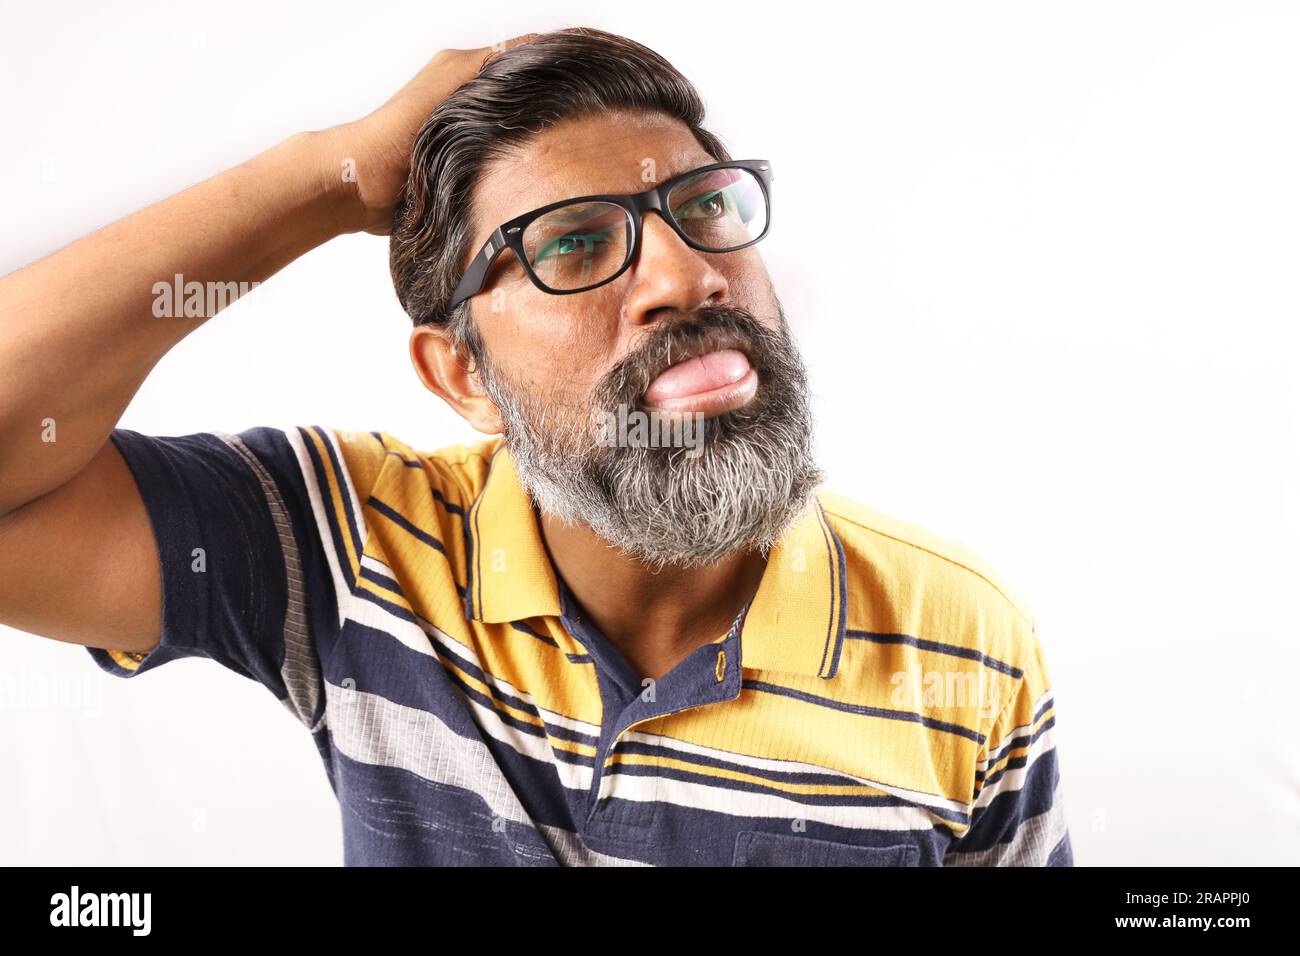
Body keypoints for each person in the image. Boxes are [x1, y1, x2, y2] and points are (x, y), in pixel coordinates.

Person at [0, 27, 1072, 866]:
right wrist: (326, 175)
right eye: (573, 242)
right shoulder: (355, 549)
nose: (685, 275)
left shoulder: (958, 637)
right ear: (463, 376)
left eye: (703, 207)